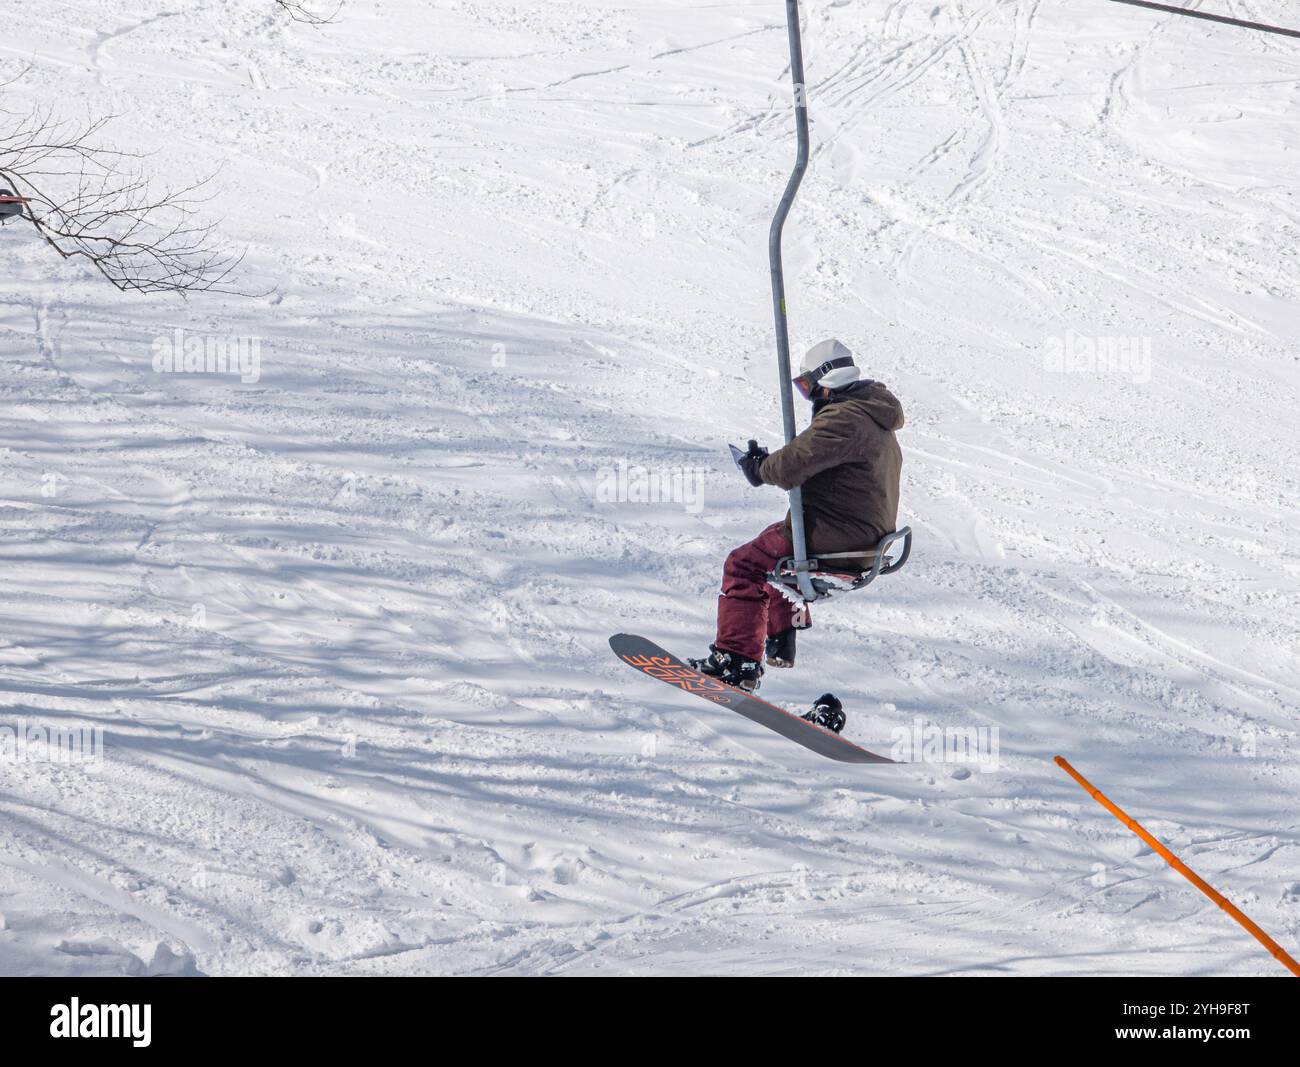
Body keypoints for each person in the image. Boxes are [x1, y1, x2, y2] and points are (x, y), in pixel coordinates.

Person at [689, 339, 905, 731]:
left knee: (745, 564)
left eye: (807, 388)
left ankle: (735, 662)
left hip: (837, 537)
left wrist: (759, 468)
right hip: (860, 539)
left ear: (825, 383)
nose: (808, 397)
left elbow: (791, 467)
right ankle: (780, 637)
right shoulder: (875, 418)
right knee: (779, 563)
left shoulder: (845, 419)